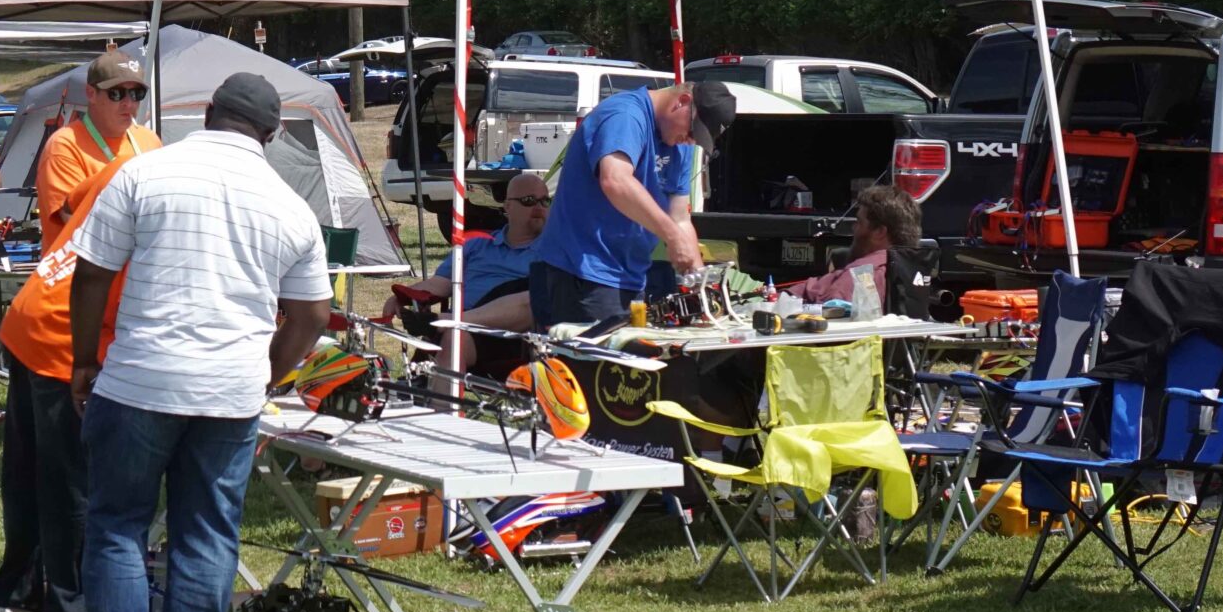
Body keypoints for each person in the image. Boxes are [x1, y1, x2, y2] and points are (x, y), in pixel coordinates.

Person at [60, 73, 332, 612]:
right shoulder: (291, 204)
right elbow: (313, 314)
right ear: (270, 135)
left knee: (118, 525)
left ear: (207, 114)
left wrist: (82, 361)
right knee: (207, 535)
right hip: (231, 392)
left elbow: (92, 271)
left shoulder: (146, 172)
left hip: (138, 379)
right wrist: (266, 371)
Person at [0, 51, 163, 612]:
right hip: (58, 323)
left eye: (136, 94)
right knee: (62, 476)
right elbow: (70, 212)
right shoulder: (66, 144)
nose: (128, 105)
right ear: (91, 95)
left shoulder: (148, 144)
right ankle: (64, 608)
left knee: (50, 470)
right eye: (117, 94)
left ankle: (20, 589)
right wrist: (127, 172)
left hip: (72, 319)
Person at [529, 80, 736, 329]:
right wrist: (672, 236)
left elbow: (680, 217)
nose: (690, 141)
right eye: (693, 131)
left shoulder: (680, 146)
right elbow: (615, 180)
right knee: (594, 364)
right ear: (682, 102)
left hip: (631, 275)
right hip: (582, 271)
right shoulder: (625, 115)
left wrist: (700, 283)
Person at [383, 170, 550, 372]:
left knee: (454, 337)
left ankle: (438, 399)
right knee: (453, 336)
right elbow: (440, 284)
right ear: (508, 206)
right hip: (460, 326)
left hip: (512, 336)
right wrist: (403, 296)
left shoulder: (553, 253)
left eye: (545, 201)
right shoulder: (476, 243)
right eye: (529, 200)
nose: (539, 208)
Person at [785, 184, 921, 309]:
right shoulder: (912, 271)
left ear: (880, 232)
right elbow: (817, 286)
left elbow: (830, 313)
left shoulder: (862, 277)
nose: (854, 228)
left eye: (859, 222)